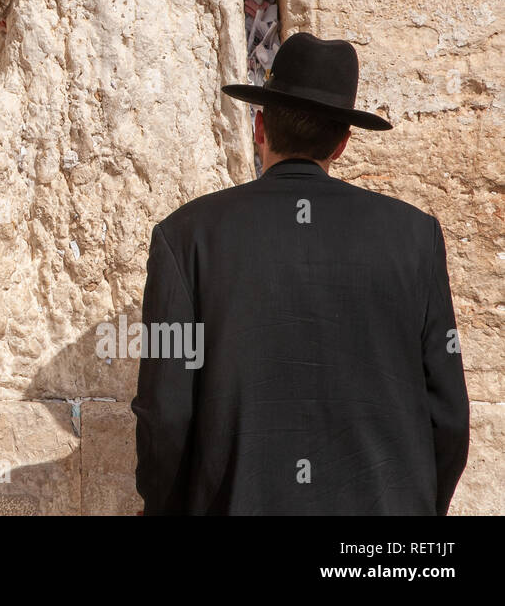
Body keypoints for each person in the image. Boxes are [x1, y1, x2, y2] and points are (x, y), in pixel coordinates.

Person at [131, 32, 470, 514]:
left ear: (259, 126)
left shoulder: (185, 237)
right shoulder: (416, 239)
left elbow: (165, 415)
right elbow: (451, 419)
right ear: (344, 143)